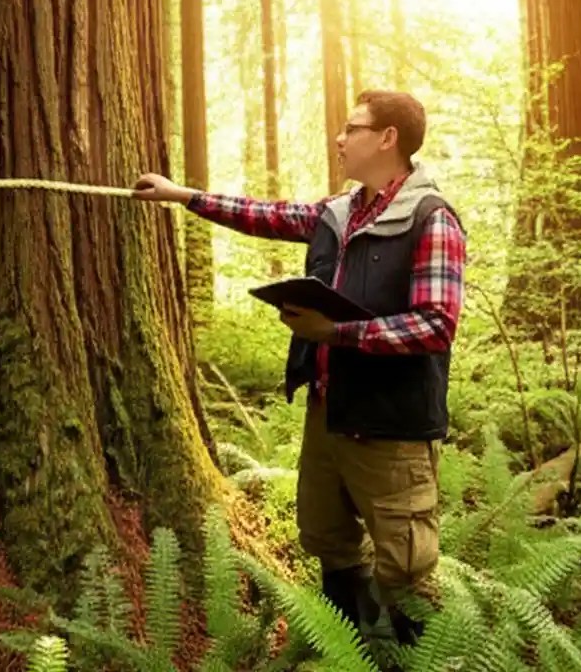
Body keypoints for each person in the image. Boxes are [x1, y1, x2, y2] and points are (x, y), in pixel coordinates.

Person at [132, 90, 466, 648]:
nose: (339, 138)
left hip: (393, 429)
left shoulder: (432, 220)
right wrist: (182, 195)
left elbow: (435, 325)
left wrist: (336, 333)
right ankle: (350, 652)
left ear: (387, 138)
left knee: (405, 567)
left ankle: (416, 658)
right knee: (329, 540)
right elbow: (268, 215)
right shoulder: (338, 213)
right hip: (328, 416)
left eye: (351, 128)